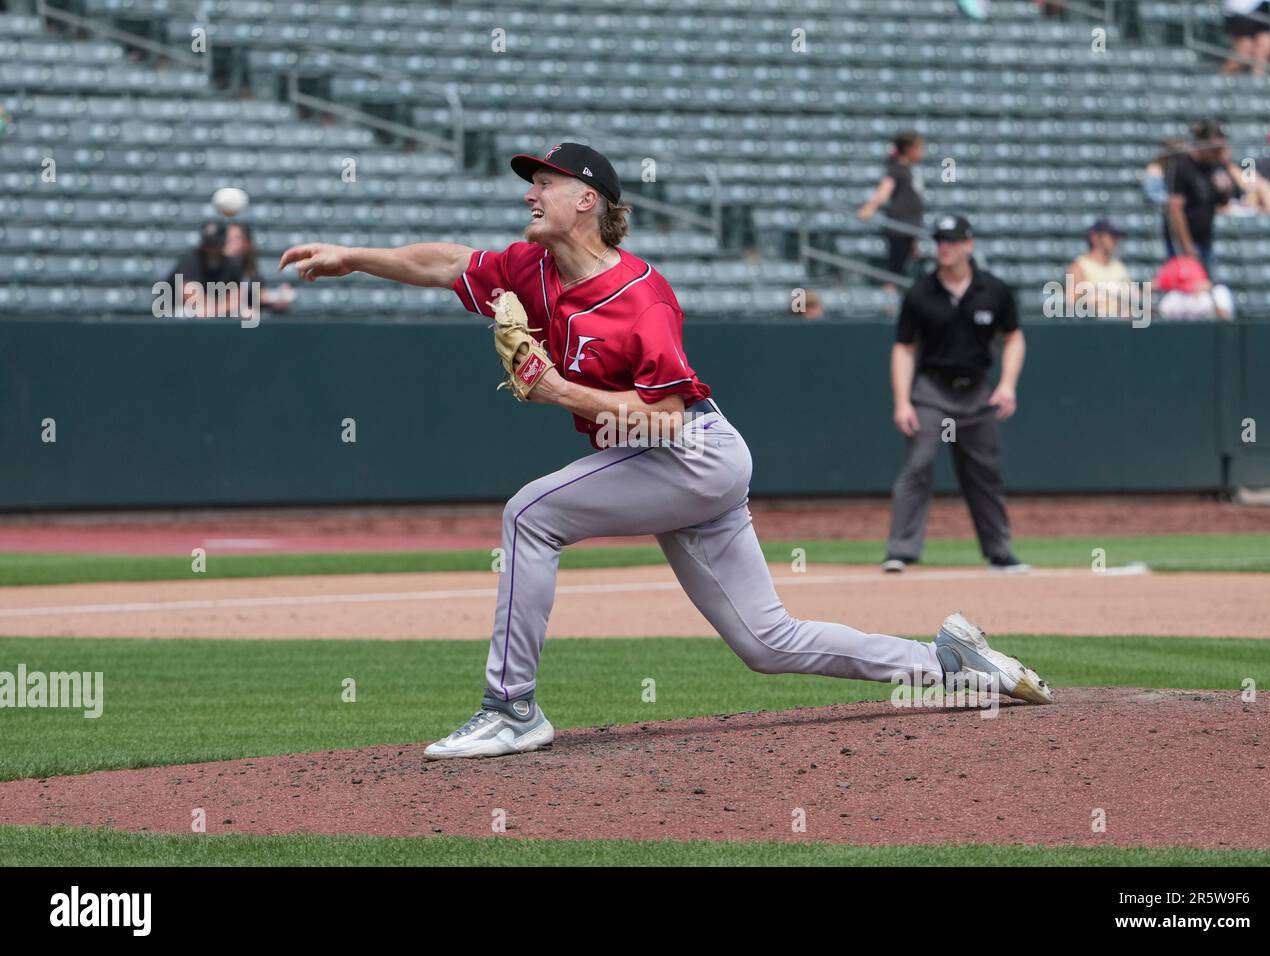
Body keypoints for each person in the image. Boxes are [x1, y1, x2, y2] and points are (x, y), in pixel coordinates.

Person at [278, 144, 1054, 759]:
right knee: (767, 643)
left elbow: (664, 422)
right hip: (673, 466)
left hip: (691, 453)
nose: (528, 195)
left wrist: (558, 392)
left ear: (587, 198)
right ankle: (948, 665)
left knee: (530, 517)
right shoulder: (531, 269)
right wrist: (355, 254)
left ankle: (510, 708)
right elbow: (448, 261)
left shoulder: (642, 296)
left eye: (541, 182)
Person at [882, 215, 1028, 574]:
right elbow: (903, 348)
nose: (944, 247)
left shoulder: (994, 290)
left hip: (977, 392)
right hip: (932, 390)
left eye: (951, 240)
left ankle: (999, 551)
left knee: (985, 472)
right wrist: (902, 401)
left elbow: (1014, 338)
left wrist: (1007, 384)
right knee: (918, 466)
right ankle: (900, 551)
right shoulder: (920, 292)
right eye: (940, 241)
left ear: (968, 244)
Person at [1165, 121, 1236, 277]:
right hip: (1184, 241)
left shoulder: (1216, 166)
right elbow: (1175, 209)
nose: (1219, 154)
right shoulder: (1182, 166)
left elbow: (1223, 202)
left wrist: (1225, 189)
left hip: (1205, 239)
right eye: (1216, 149)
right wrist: (1187, 246)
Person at [858, 131, 926, 291]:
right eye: (919, 148)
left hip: (910, 226)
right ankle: (888, 301)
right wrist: (870, 207)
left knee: (902, 268)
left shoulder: (908, 168)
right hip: (899, 225)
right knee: (895, 269)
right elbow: (884, 190)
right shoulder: (896, 168)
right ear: (909, 149)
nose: (922, 152)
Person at [1065, 219, 1138, 320]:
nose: (1115, 241)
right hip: (1095, 326)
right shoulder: (1079, 266)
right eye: (1111, 236)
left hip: (1123, 325)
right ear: (1095, 237)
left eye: (1116, 237)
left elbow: (1133, 298)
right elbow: (1072, 302)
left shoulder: (1119, 266)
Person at [167, 221, 243, 317]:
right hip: (179, 313)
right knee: (188, 312)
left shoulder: (231, 264)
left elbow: (236, 299)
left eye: (215, 244)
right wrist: (217, 308)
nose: (211, 249)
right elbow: (191, 297)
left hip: (215, 312)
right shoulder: (191, 260)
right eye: (208, 244)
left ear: (223, 243)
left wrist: (215, 310)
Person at [225, 222, 295, 312]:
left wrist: (277, 298)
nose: (232, 243)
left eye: (237, 238)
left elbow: (260, 297)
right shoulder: (217, 268)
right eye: (228, 239)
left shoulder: (251, 272)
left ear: (247, 243)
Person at [1155, 257, 1235, 321]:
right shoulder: (1174, 297)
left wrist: (1211, 294)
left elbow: (1226, 318)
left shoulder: (1219, 292)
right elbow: (1159, 318)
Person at [1222, 1, 1270, 75]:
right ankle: (1222, 80)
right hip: (1239, 9)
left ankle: (1258, 83)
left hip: (1263, 6)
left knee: (1264, 49)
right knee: (1244, 53)